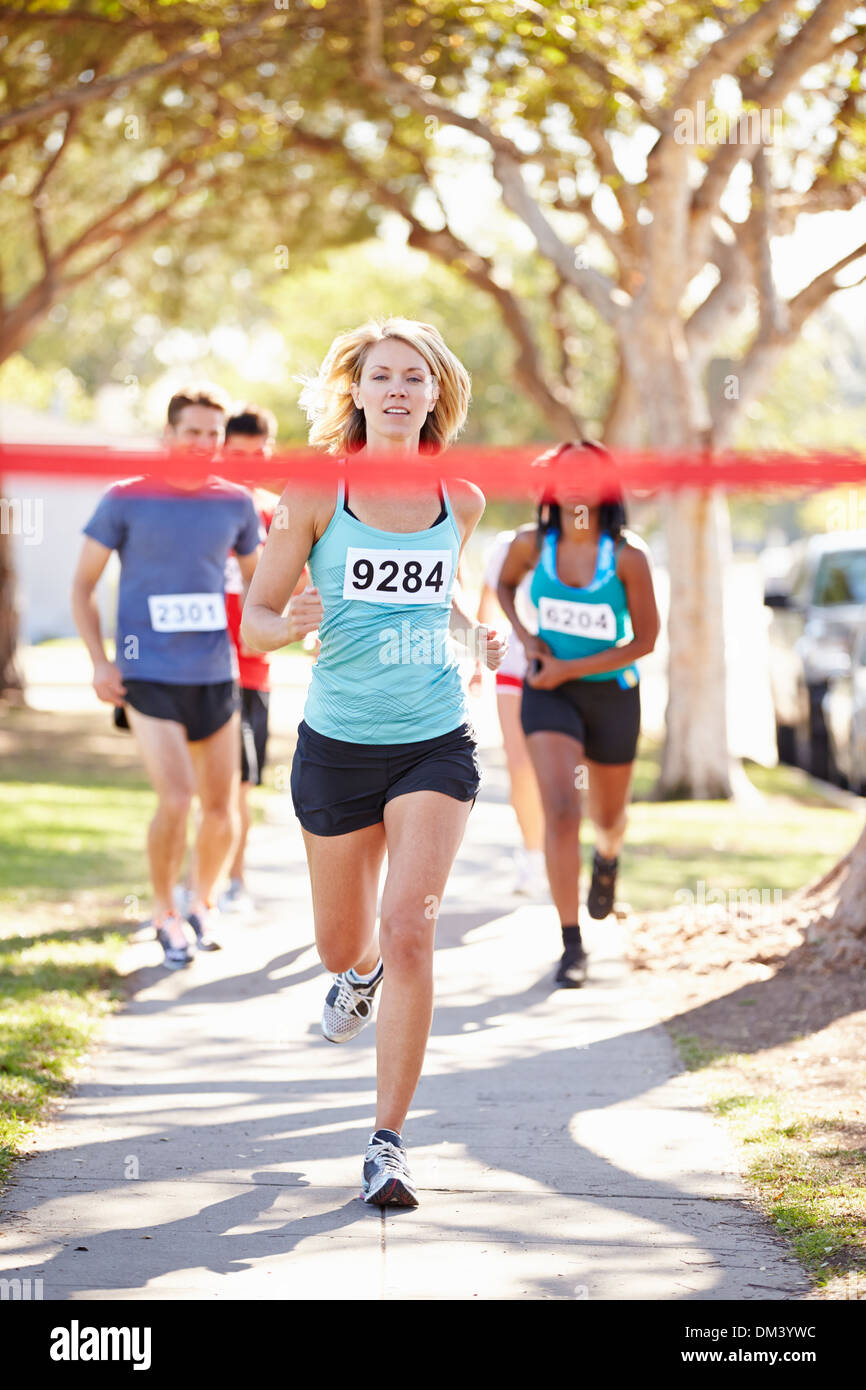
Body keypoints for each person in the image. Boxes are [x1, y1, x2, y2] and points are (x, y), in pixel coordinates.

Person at [241, 318, 506, 1206]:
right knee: (346, 943)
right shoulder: (317, 489)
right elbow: (257, 619)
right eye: (381, 375)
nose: (397, 390)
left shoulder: (458, 500)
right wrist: (293, 626)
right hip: (339, 746)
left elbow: (445, 602)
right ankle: (356, 979)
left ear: (438, 395)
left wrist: (480, 633)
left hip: (434, 738)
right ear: (354, 391)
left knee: (411, 930)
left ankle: (388, 1142)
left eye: (414, 377)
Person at [71, 385, 264, 968]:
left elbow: (260, 586)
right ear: (169, 436)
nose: (204, 443)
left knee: (223, 806)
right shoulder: (125, 499)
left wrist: (286, 621)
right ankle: (164, 912)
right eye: (193, 432)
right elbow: (82, 587)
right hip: (147, 673)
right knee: (177, 798)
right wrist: (101, 662)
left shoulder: (236, 504)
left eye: (213, 434)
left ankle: (200, 904)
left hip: (217, 675)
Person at [497, 440, 660, 988]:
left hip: (611, 694)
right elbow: (503, 585)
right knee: (563, 811)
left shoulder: (628, 556)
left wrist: (571, 668)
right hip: (549, 695)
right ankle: (571, 944)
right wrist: (526, 638)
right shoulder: (530, 544)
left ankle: (609, 859)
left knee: (607, 819)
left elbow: (646, 640)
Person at [219, 404, 282, 914]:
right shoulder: (200, 507)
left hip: (251, 669)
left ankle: (233, 882)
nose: (246, 463)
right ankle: (194, 887)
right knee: (198, 785)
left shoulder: (278, 512)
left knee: (239, 781)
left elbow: (304, 580)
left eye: (256, 454)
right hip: (195, 666)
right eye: (235, 455)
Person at [471, 530, 546, 895]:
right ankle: (533, 857)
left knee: (567, 771)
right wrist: (476, 661)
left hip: (573, 672)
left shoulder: (588, 544)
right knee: (521, 767)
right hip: (516, 670)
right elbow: (486, 607)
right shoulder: (506, 546)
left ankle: (553, 846)